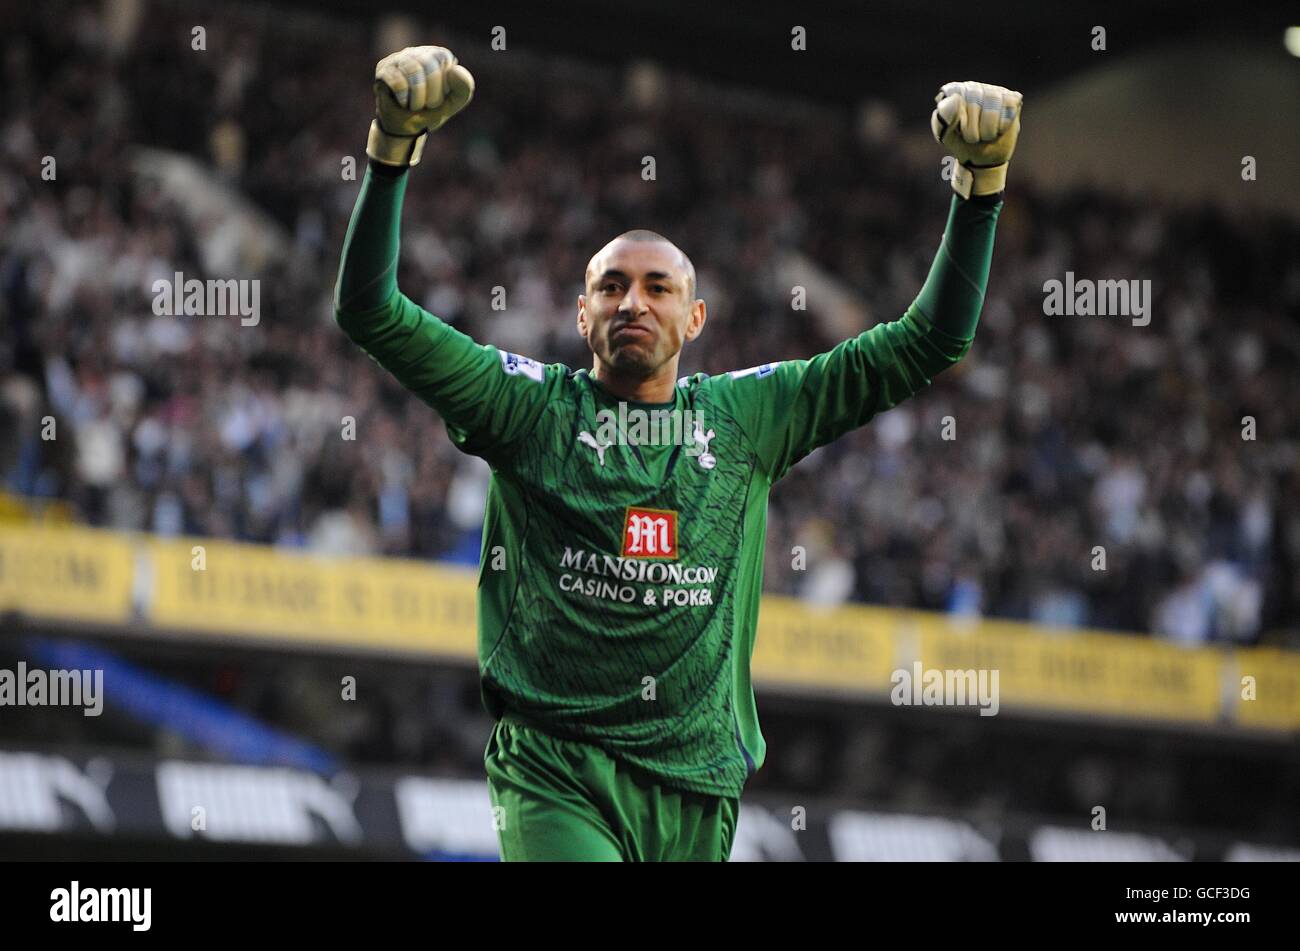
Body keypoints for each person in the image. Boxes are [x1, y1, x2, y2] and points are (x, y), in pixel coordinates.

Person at [334, 45, 1022, 861]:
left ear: (695, 320)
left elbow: (933, 339)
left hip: (699, 787)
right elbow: (369, 309)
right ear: (581, 313)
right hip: (560, 772)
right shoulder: (526, 407)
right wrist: (389, 150)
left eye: (659, 287)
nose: (634, 301)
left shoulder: (749, 416)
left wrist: (979, 188)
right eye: (611, 286)